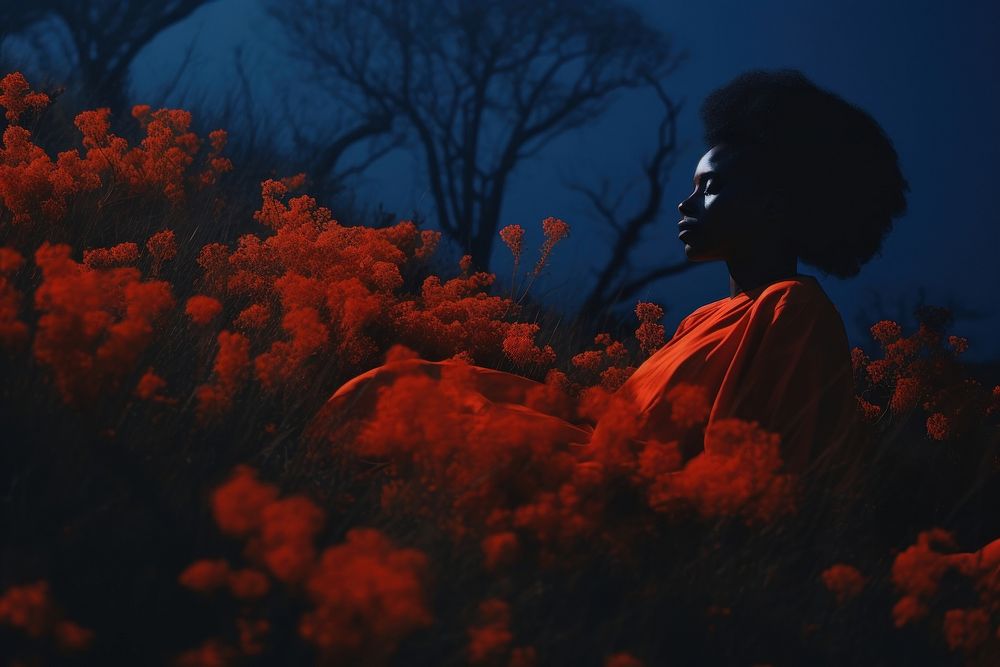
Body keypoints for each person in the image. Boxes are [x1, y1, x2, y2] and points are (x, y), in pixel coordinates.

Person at [319, 68, 908, 478]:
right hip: (604, 460)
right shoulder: (706, 318)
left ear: (776, 205)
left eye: (710, 188)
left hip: (631, 491)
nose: (685, 204)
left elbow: (754, 470)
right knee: (403, 390)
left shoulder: (791, 312)